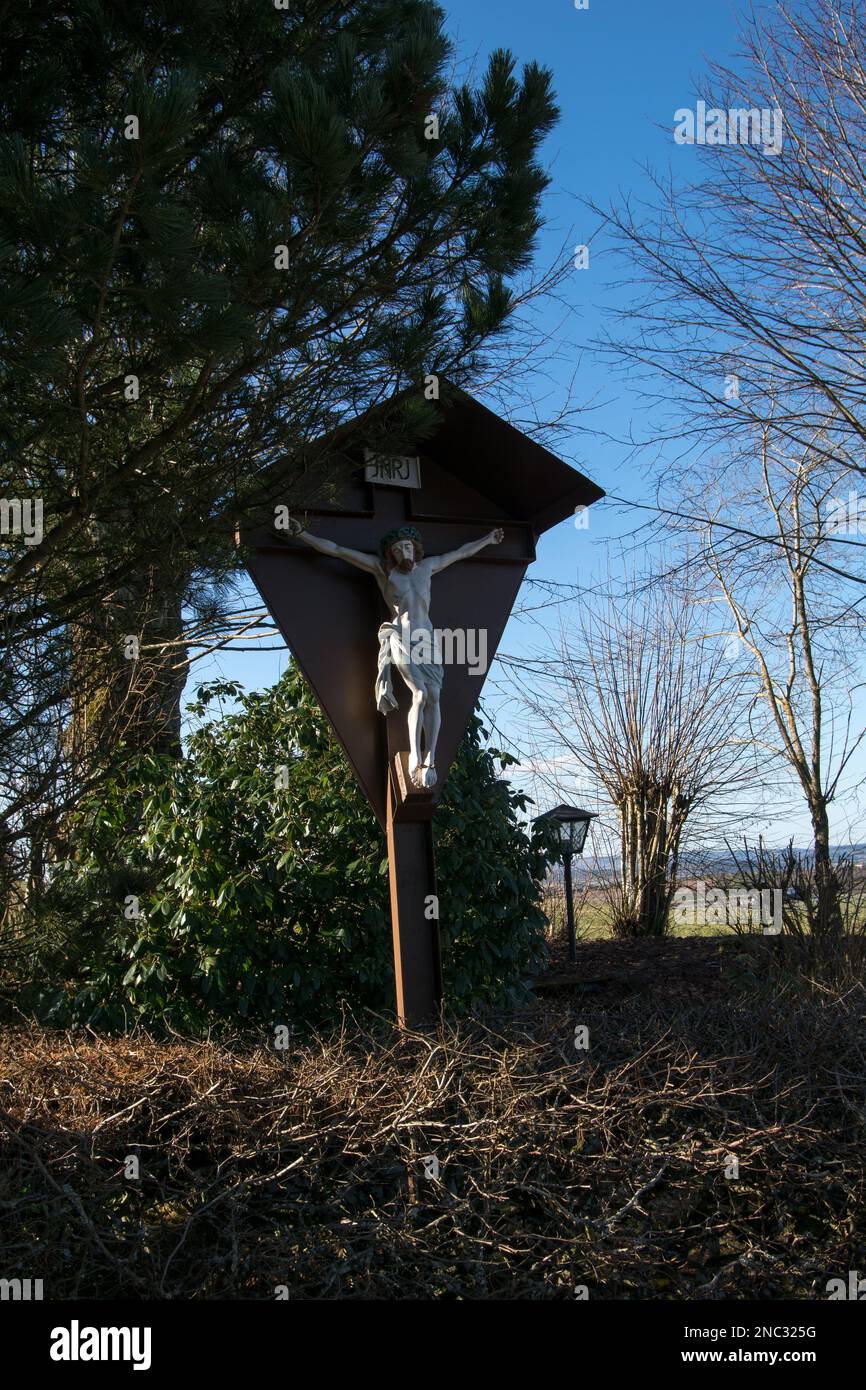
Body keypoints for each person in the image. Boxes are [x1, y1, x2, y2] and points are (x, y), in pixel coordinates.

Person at [288, 518, 503, 787]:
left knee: (435, 695)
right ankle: (415, 753)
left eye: (408, 547)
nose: (405, 552)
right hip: (402, 637)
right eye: (399, 549)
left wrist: (488, 539)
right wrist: (302, 534)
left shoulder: (427, 567)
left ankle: (430, 757)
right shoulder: (382, 570)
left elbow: (459, 553)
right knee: (421, 693)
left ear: (416, 548)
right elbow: (336, 550)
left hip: (427, 638)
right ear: (391, 553)